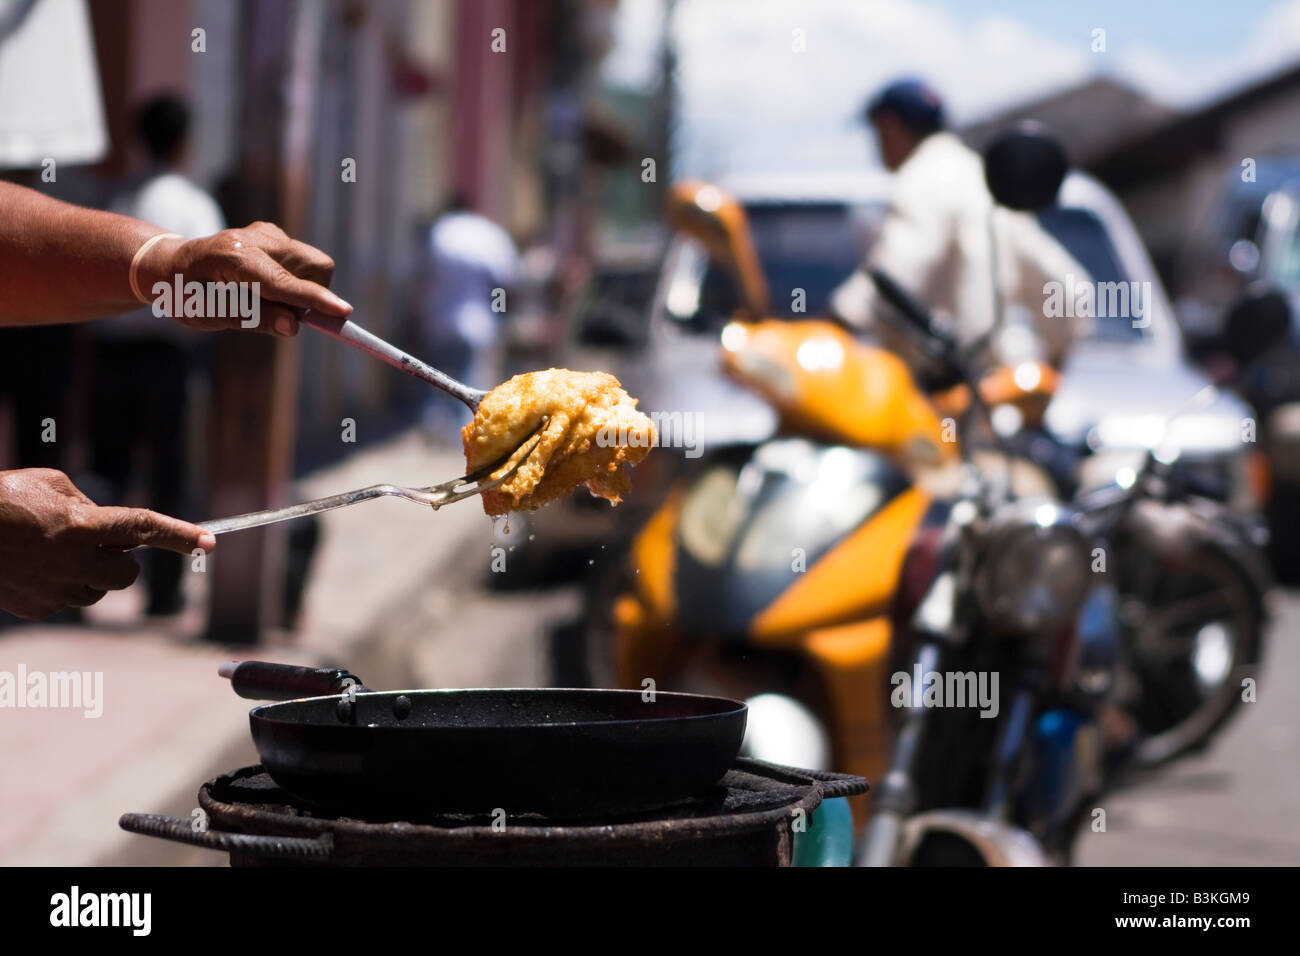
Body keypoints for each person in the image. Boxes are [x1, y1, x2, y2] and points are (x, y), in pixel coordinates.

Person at [0, 179, 351, 621]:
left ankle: (143, 589)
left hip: (121, 360)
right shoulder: (183, 201)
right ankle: (152, 591)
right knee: (154, 474)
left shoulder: (121, 195)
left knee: (127, 474)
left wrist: (164, 262)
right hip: (157, 362)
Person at [829, 78, 1087, 378]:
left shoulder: (922, 178)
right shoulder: (983, 178)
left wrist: (834, 324)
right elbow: (1069, 292)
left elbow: (898, 269)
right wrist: (1052, 367)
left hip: (925, 403)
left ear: (889, 125)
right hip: (987, 403)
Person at [88, 94, 227, 616]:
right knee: (170, 474)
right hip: (168, 358)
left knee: (108, 470)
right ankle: (165, 594)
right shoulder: (195, 207)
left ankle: (83, 585)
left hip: (112, 355)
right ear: (184, 141)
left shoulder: (112, 200)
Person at [420, 194, 519, 441]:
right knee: (467, 383)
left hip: (439, 319)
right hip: (478, 323)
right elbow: (509, 280)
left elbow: (423, 275)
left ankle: (435, 433)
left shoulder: (441, 231)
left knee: (433, 378)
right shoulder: (489, 235)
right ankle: (461, 440)